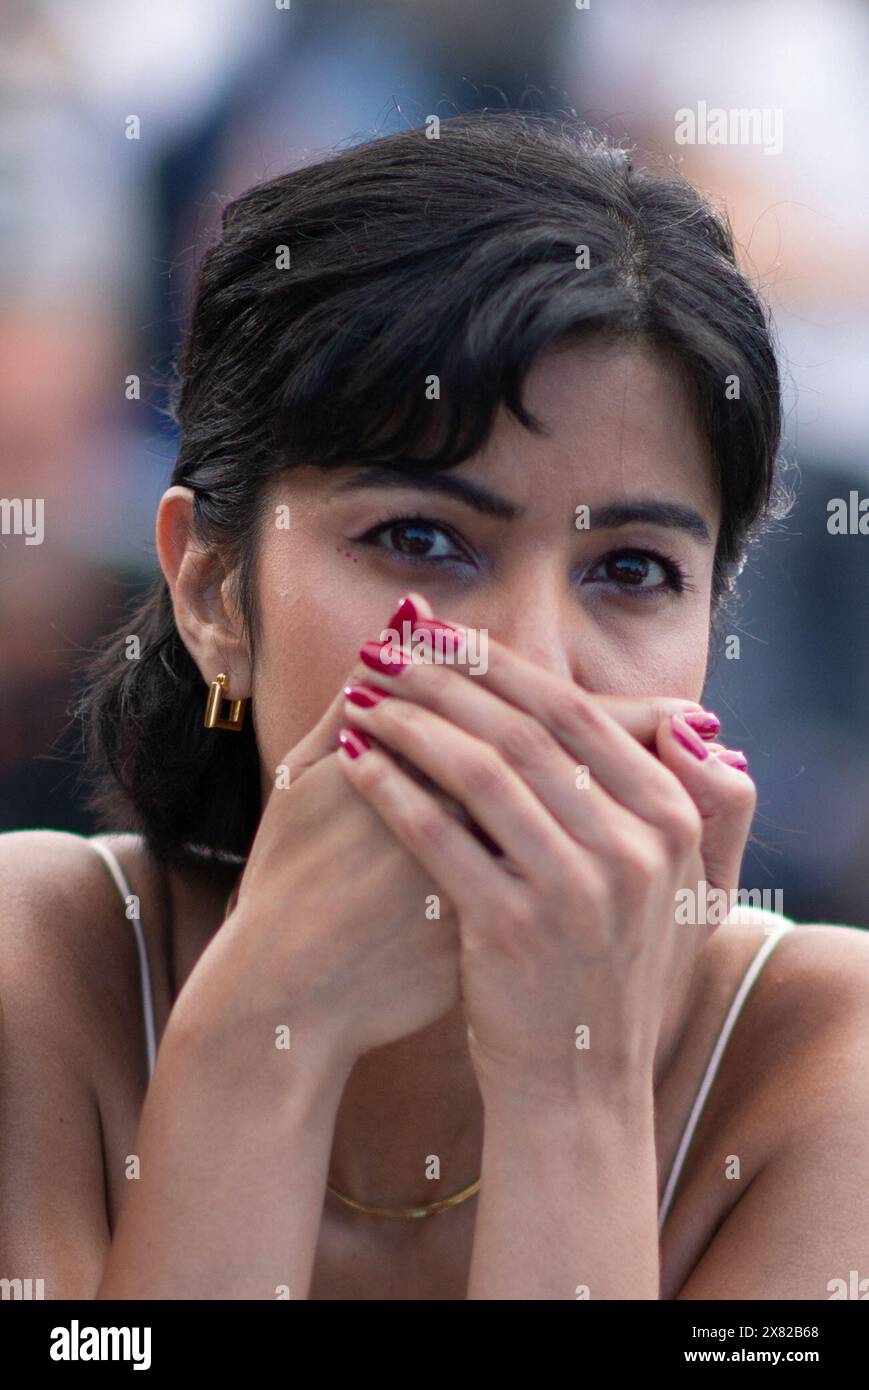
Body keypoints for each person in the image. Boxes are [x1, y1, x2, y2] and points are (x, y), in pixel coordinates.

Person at [1, 111, 867, 1301]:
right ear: (211, 591)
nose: (530, 662)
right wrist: (257, 1034)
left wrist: (573, 1085)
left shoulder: (822, 1062)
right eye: (420, 539)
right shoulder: (36, 980)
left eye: (627, 570)